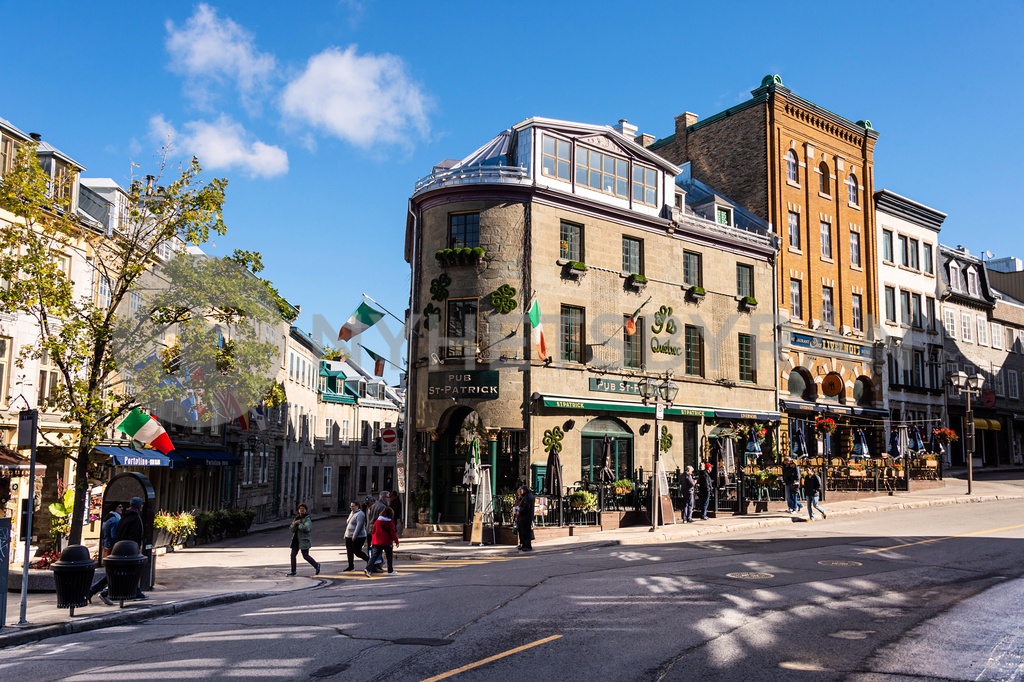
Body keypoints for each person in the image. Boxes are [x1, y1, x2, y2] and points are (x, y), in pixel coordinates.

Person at [88, 503, 123, 606]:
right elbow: (114, 536)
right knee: (117, 573)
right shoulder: (115, 520)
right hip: (113, 549)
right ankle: (101, 591)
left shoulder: (107, 519)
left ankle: (93, 590)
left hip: (106, 548)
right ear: (115, 508)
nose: (122, 508)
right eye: (119, 507)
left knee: (113, 573)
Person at [364, 505, 399, 577]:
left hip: (377, 541)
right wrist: (396, 541)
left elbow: (373, 531)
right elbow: (392, 533)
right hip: (387, 542)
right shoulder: (390, 522)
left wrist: (372, 541)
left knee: (374, 556)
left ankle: (368, 568)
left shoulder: (377, 521)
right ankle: (390, 570)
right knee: (389, 556)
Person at [288, 503, 321, 576]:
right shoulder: (297, 518)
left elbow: (307, 528)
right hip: (295, 540)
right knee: (293, 555)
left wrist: (299, 524)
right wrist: (295, 524)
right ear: (298, 510)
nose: (302, 510)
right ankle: (293, 571)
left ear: (306, 510)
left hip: (304, 540)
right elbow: (291, 529)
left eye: (303, 509)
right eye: (300, 509)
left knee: (305, 556)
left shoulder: (307, 519)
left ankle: (316, 565)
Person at [365, 492, 389, 572]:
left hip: (370, 530)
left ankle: (373, 565)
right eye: (388, 497)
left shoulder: (373, 506)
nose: (389, 499)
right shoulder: (382, 507)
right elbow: (382, 520)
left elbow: (369, 520)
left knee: (372, 549)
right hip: (376, 531)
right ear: (384, 498)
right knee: (377, 549)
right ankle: (375, 566)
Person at [343, 501, 370, 571]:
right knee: (349, 551)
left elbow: (359, 526)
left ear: (357, 506)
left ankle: (369, 561)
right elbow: (348, 523)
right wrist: (346, 535)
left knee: (357, 551)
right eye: (351, 506)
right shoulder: (352, 513)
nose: (351, 508)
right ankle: (350, 566)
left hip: (359, 536)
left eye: (353, 506)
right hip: (348, 535)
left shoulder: (360, 514)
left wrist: (354, 536)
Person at [514, 485, 535, 551]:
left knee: (526, 532)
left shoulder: (527, 497)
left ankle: (527, 546)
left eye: (521, 490)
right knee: (524, 532)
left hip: (526, 517)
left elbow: (526, 507)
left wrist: (520, 511)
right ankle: (524, 545)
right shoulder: (527, 496)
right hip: (526, 517)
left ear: (524, 490)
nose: (520, 491)